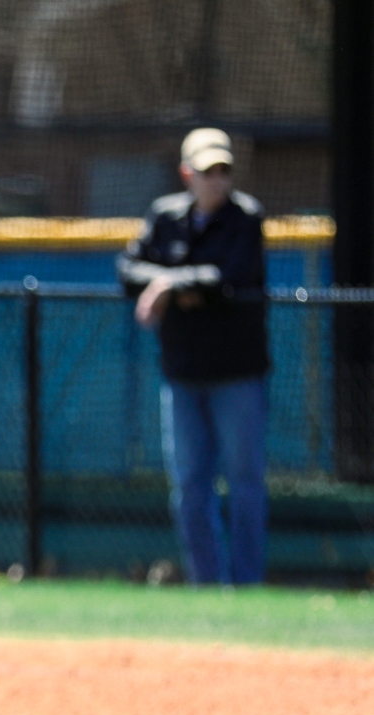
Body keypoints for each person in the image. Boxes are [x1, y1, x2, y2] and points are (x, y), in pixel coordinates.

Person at [117, 128, 269, 585]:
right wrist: (178, 284)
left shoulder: (245, 218)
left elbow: (227, 281)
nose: (217, 180)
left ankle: (246, 585)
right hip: (182, 376)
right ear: (188, 173)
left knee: (244, 483)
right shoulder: (165, 217)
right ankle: (207, 585)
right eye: (207, 171)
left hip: (238, 376)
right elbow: (127, 270)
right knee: (189, 487)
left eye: (224, 171)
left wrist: (167, 284)